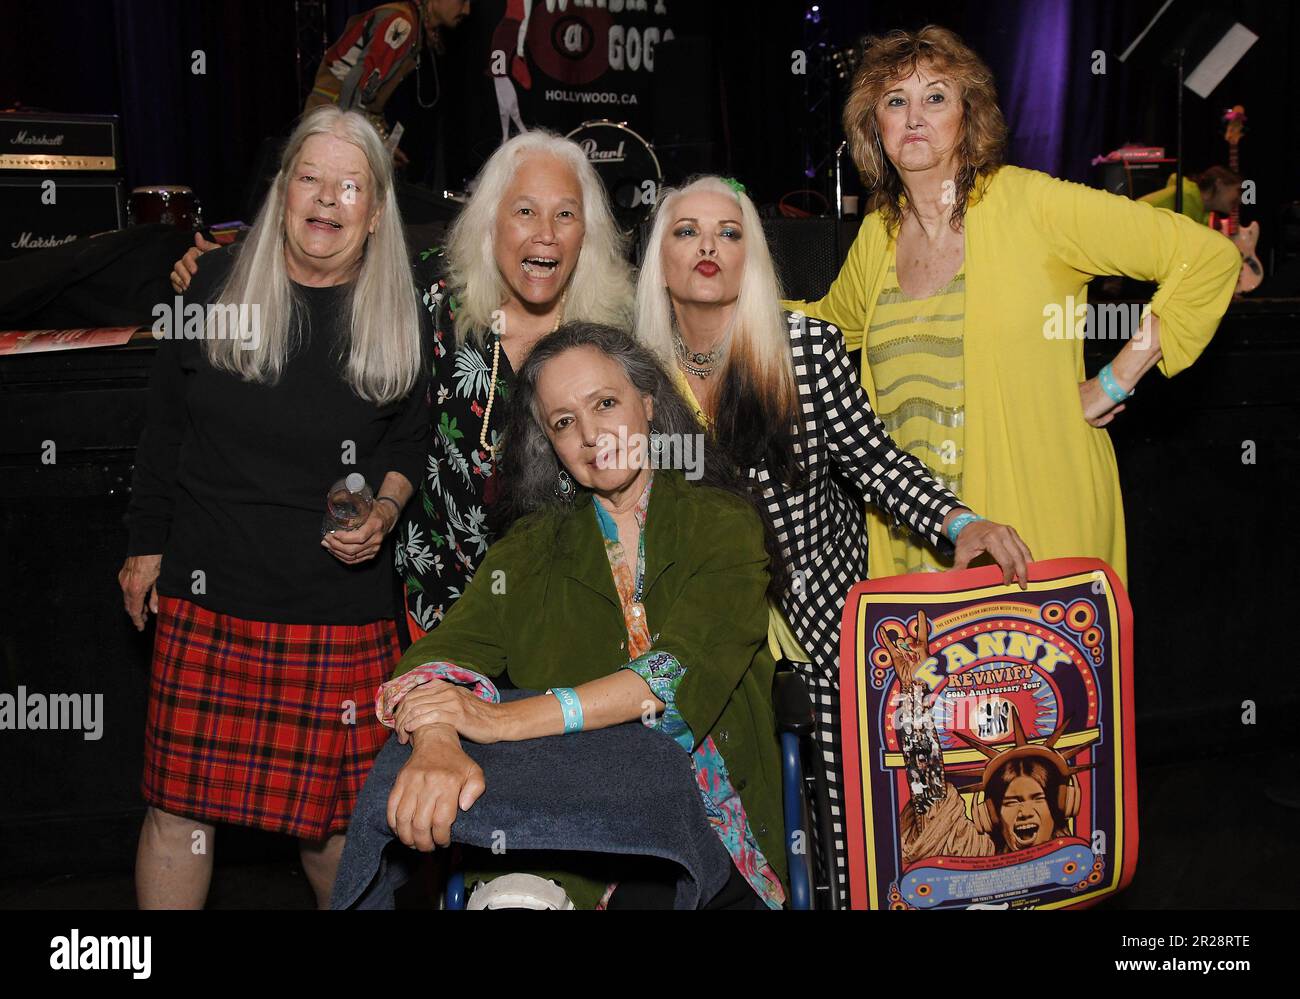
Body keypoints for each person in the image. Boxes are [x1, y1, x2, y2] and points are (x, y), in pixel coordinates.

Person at [635, 173, 1032, 898]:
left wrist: (958, 519)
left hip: (820, 623)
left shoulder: (805, 349)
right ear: (657, 257)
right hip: (702, 633)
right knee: (733, 823)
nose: (709, 248)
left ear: (752, 256)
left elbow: (874, 458)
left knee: (854, 822)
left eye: (730, 233)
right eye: (687, 232)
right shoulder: (636, 378)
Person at [789, 25, 1241, 587]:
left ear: (968, 116)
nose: (914, 118)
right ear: (872, 126)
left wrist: (1115, 381)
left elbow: (1205, 257)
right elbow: (822, 329)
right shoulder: (878, 237)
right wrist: (718, 297)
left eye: (935, 98)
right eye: (895, 102)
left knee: (1045, 675)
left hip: (1038, 522)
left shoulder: (1033, 205)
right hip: (923, 536)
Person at [120, 106, 429, 908]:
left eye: (350, 186)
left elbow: (409, 443)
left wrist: (386, 515)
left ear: (374, 213)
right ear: (282, 189)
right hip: (208, 591)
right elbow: (164, 430)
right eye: (310, 178)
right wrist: (144, 546)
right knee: (178, 816)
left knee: (333, 827)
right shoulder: (216, 284)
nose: (327, 201)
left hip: (336, 611)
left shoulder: (399, 311)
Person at [377, 322, 788, 908]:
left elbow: (671, 678)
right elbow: (437, 656)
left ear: (647, 404)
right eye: (565, 422)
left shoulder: (721, 525)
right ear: (549, 442)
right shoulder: (529, 549)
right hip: (573, 814)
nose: (593, 435)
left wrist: (500, 722)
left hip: (709, 812)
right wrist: (438, 739)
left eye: (606, 403)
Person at [396, 129, 634, 642]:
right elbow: (338, 273)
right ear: (490, 222)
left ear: (586, 234)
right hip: (440, 609)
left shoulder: (617, 330)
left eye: (565, 214)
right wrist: (216, 265)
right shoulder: (434, 302)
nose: (546, 233)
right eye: (525, 211)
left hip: (571, 623)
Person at [305, 0, 472, 174]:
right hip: (332, 119)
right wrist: (359, 145)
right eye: (462, 1)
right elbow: (354, 89)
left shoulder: (413, 23)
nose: (467, 10)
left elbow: (368, 97)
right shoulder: (402, 23)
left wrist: (382, 145)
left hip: (339, 118)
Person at [1139, 165, 1243, 227]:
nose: (1240, 200)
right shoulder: (1185, 197)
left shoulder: (1200, 210)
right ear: (1220, 184)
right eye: (1238, 191)